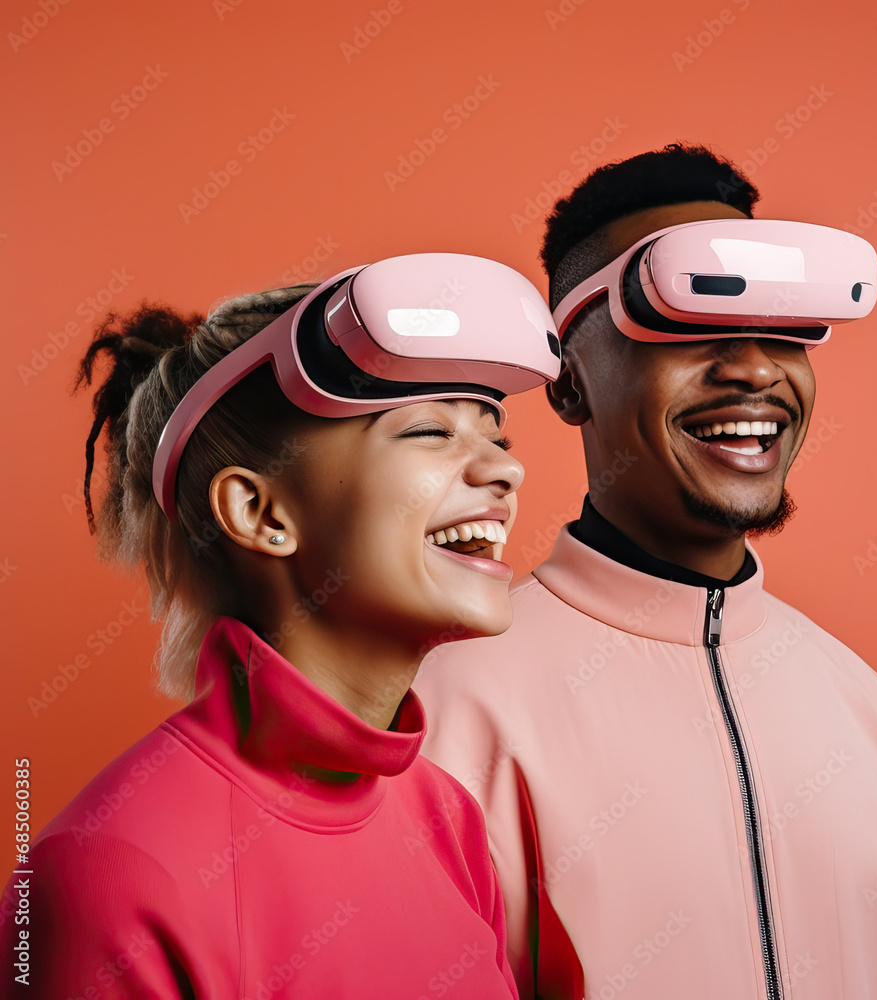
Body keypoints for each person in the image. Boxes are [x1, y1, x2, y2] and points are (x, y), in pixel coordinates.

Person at [415, 146, 877, 999]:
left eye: (784, 332)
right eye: (686, 325)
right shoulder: (445, 707)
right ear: (567, 382)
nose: (755, 368)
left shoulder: (869, 706)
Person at [0, 253, 562, 998]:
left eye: (498, 440)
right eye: (431, 431)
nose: (505, 472)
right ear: (260, 513)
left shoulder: (446, 818)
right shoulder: (103, 872)